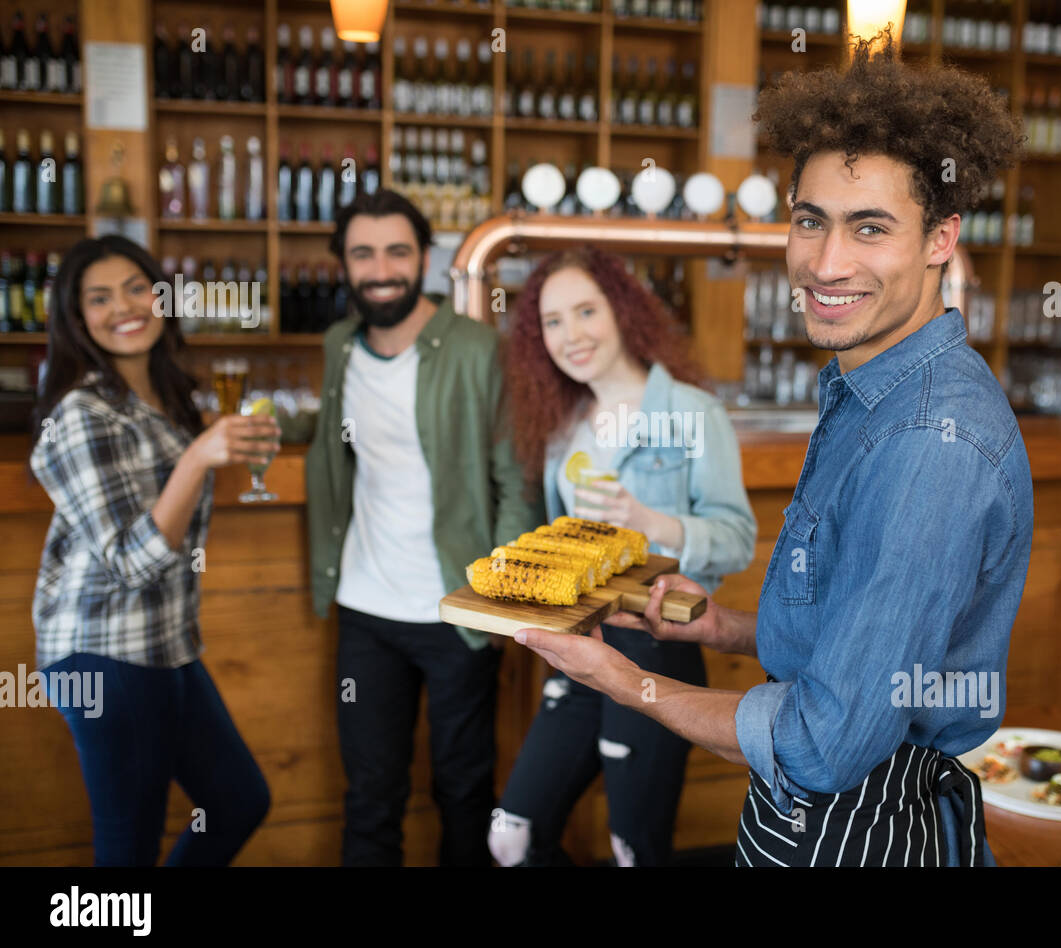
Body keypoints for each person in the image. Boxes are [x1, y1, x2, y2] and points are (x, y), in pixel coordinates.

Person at [511, 31, 1033, 867]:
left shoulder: (929, 444)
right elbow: (862, 636)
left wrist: (626, 683)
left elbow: (824, 744)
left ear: (941, 239)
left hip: (862, 829)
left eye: (871, 228)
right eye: (809, 222)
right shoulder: (871, 390)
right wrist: (724, 629)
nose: (827, 263)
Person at [487, 246, 757, 867]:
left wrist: (646, 521)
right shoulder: (563, 424)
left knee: (632, 848)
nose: (571, 334)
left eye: (586, 311)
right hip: (581, 646)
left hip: (659, 647)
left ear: (622, 310)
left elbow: (736, 537)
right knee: (511, 837)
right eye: (552, 321)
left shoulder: (694, 412)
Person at [306, 189, 544, 866]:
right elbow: (337, 435)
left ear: (426, 260)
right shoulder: (338, 348)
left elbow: (515, 481)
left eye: (397, 251)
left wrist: (497, 598)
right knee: (371, 794)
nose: (380, 268)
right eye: (363, 253)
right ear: (343, 265)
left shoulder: (476, 349)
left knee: (464, 788)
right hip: (364, 609)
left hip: (456, 611)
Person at [29, 235, 277, 866]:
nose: (124, 307)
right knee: (126, 853)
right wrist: (199, 458)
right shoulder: (82, 413)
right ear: (75, 318)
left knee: (237, 800)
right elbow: (132, 560)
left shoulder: (164, 397)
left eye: (137, 288)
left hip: (164, 644)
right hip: (103, 655)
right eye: (99, 298)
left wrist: (229, 451)